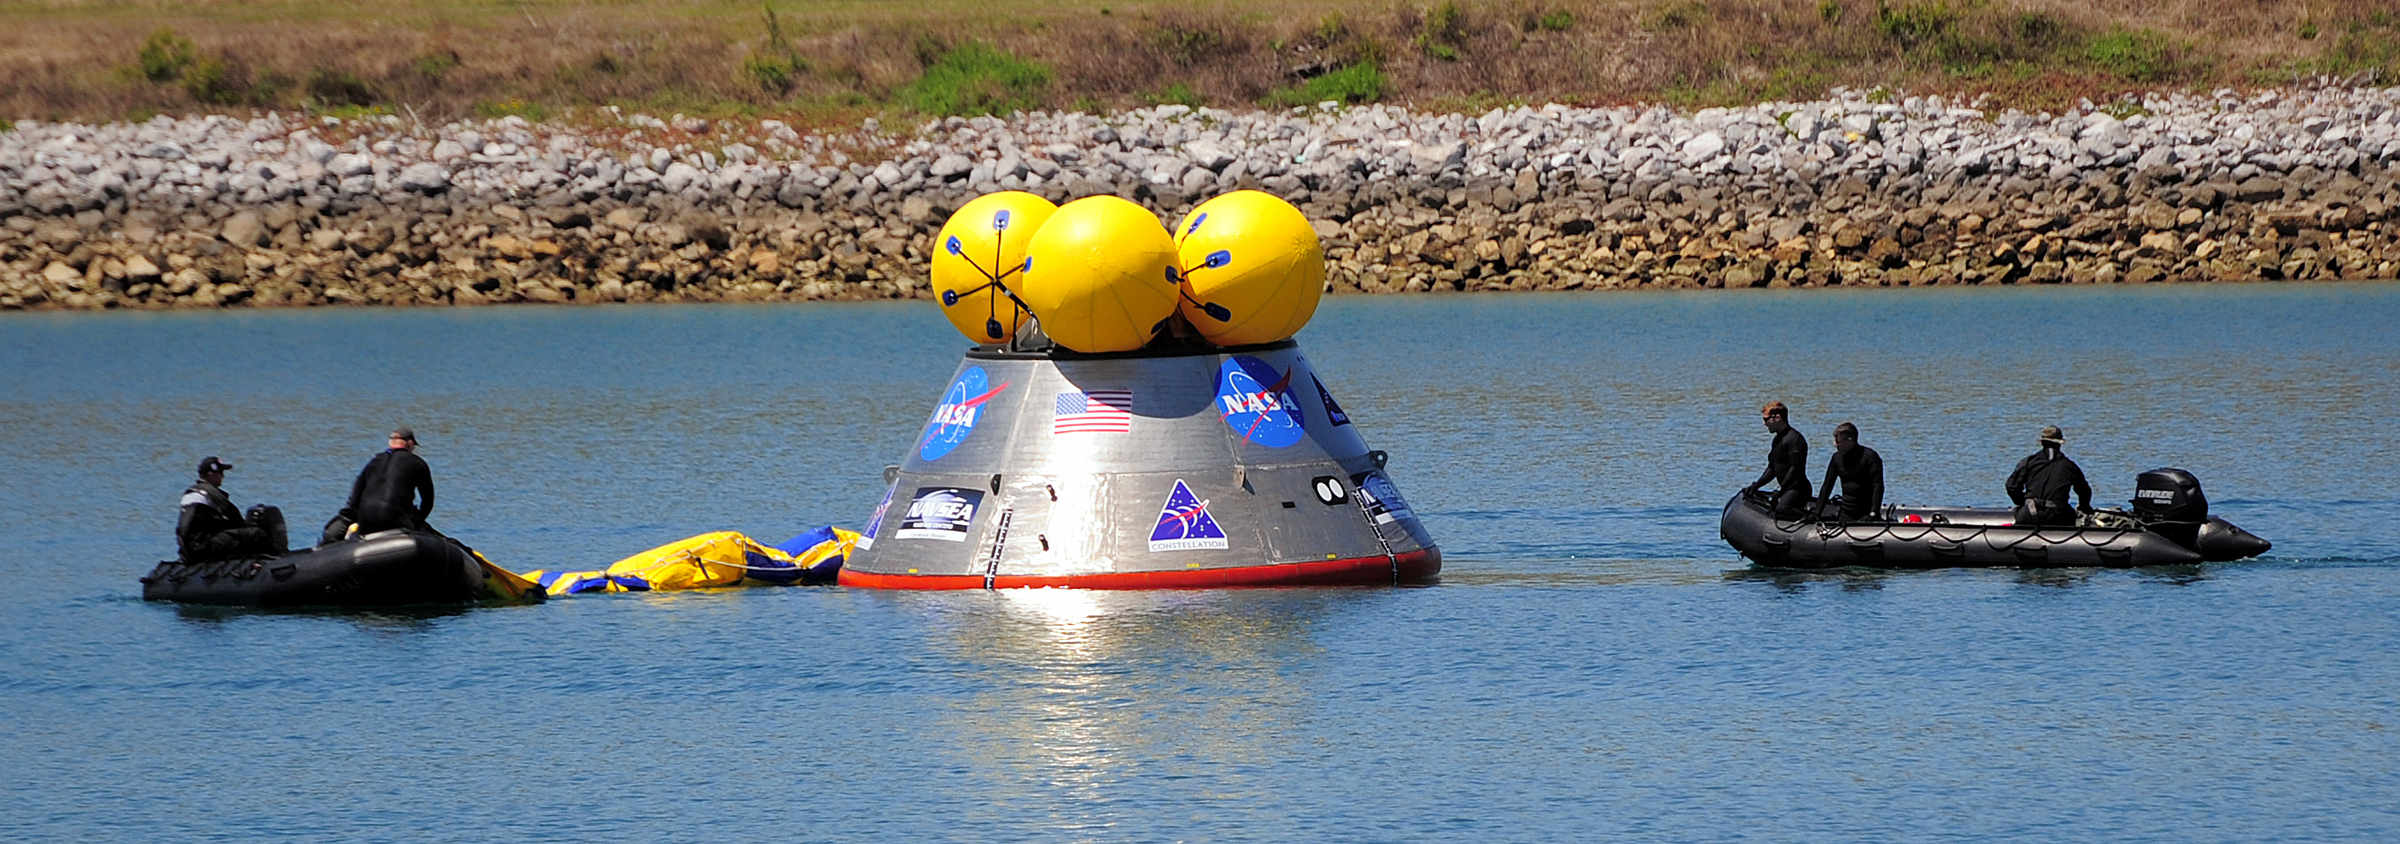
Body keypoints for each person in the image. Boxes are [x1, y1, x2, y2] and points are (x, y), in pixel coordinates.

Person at [335, 427, 437, 539]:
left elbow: (354, 500)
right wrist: (418, 519)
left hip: (366, 521)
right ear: (410, 443)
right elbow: (428, 502)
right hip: (396, 520)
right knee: (425, 532)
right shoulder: (418, 463)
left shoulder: (373, 462)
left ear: (390, 443)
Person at [177, 456, 278, 562]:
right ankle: (274, 560)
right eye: (220, 473)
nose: (223, 476)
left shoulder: (190, 494)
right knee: (255, 534)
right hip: (203, 548)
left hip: (189, 551)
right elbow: (234, 521)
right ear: (211, 474)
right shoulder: (210, 495)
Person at [2006, 424, 2092, 526]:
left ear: (2042, 442)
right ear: (2060, 444)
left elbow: (2012, 487)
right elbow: (2084, 491)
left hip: (2029, 515)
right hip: (2059, 517)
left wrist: (2023, 502)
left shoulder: (2028, 462)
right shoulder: (2070, 466)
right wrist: (2084, 507)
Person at [1743, 401, 1811, 518]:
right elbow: (1772, 469)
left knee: (1782, 509)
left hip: (1798, 489)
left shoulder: (1794, 440)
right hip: (1786, 488)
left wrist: (1780, 490)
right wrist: (1755, 486)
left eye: (1766, 420)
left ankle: (1809, 519)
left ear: (1777, 418)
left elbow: (1795, 469)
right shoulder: (1777, 440)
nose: (1764, 424)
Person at [1817, 422, 1886, 521]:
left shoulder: (1870, 457)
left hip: (1865, 512)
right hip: (1846, 512)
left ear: (1850, 441)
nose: (1835, 445)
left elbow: (1878, 486)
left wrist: (1873, 513)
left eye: (1838, 441)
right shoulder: (1837, 458)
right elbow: (1827, 486)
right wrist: (1817, 513)